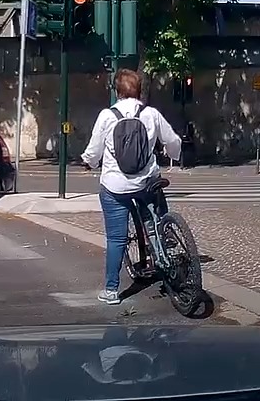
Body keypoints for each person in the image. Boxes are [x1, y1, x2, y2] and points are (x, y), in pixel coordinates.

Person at [79, 68, 184, 305]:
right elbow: (173, 141)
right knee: (155, 218)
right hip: (146, 181)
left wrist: (88, 162)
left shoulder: (107, 115)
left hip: (115, 187)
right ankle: (163, 241)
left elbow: (94, 150)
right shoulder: (151, 114)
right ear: (139, 91)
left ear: (117, 91)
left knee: (116, 239)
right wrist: (173, 156)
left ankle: (111, 290)